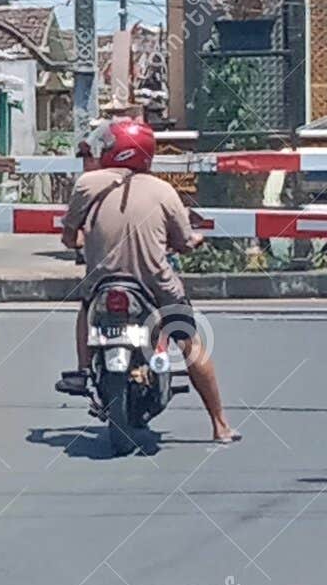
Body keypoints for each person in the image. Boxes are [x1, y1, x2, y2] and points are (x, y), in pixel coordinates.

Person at [55, 118, 239, 445]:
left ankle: (83, 370)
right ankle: (220, 424)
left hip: (103, 283)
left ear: (119, 151)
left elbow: (69, 237)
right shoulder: (163, 190)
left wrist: (81, 239)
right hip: (156, 286)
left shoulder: (87, 184)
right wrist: (192, 241)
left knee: (84, 308)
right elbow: (183, 240)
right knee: (190, 343)